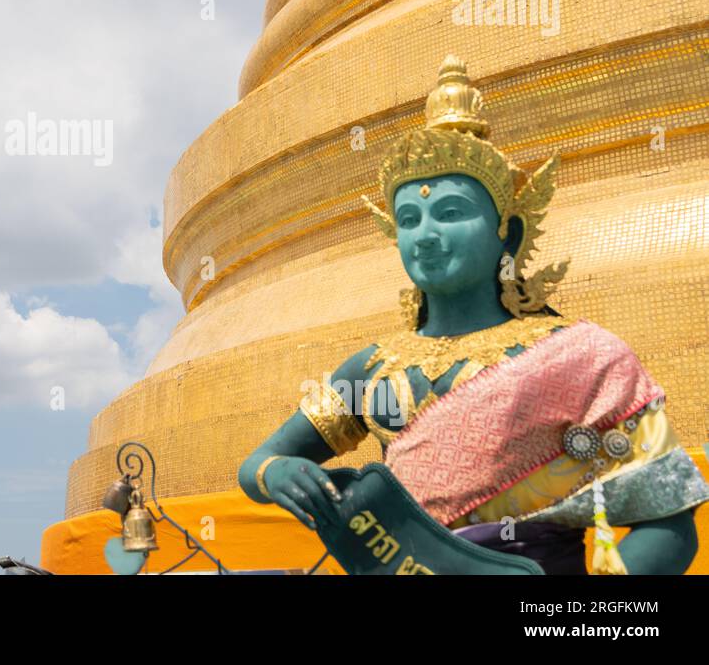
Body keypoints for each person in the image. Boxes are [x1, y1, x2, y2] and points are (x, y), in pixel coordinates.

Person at [239, 56, 708, 574]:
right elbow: (256, 463)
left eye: (451, 213)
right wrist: (277, 472)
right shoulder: (375, 369)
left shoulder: (580, 357)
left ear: (508, 233)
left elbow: (669, 524)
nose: (426, 234)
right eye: (409, 219)